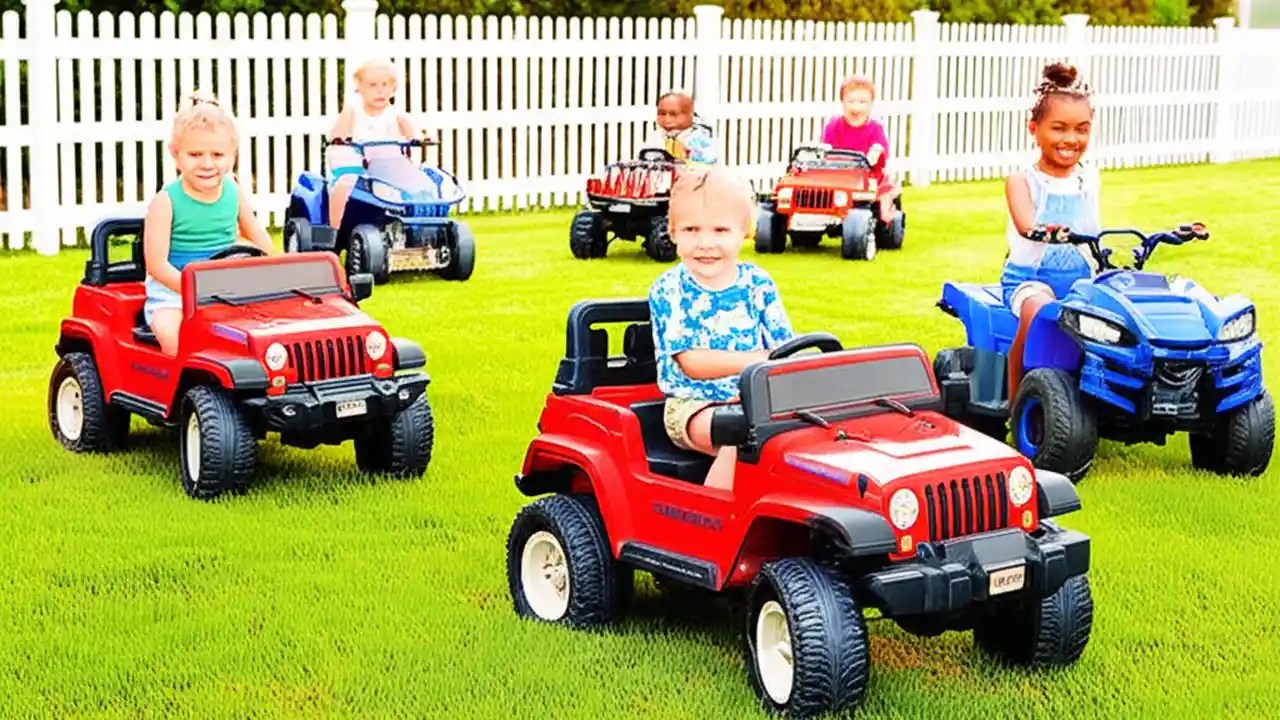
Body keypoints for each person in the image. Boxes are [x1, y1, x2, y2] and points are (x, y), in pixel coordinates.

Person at [648, 165, 794, 492]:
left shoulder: (757, 284)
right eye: (691, 229)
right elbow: (691, 363)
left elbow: (785, 348)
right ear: (672, 231)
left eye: (720, 230)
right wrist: (758, 361)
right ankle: (715, 516)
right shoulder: (670, 289)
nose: (705, 243)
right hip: (692, 406)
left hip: (755, 399)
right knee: (744, 435)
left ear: (746, 231)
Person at [142, 90, 275, 356]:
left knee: (267, 332)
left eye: (217, 155)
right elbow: (157, 266)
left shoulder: (233, 191)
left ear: (233, 155)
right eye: (194, 154)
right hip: (175, 294)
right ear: (175, 154)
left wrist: (278, 268)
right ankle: (184, 382)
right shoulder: (166, 201)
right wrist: (195, 290)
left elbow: (259, 239)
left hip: (227, 288)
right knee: (172, 334)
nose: (206, 164)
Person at [1000, 62, 1101, 400]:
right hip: (1030, 280)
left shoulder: (1089, 179)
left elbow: (1094, 230)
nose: (1071, 139)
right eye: (1059, 128)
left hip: (1081, 280)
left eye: (1082, 130)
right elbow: (1026, 224)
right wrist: (1045, 230)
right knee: (1037, 309)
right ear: (1034, 128)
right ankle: (1016, 396)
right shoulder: (1023, 181)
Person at [327, 58, 423, 230]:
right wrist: (340, 138)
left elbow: (414, 132)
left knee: (417, 185)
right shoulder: (353, 111)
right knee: (344, 186)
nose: (380, 90)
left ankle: (414, 226)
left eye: (385, 85)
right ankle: (335, 230)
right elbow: (337, 134)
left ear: (393, 88)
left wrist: (420, 138)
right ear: (360, 87)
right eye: (373, 85)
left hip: (388, 165)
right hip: (356, 164)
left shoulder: (396, 114)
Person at [820, 74, 899, 225]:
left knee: (884, 194)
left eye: (862, 102)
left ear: (870, 104)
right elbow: (827, 150)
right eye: (851, 101)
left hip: (868, 176)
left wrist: (876, 153)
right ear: (843, 102)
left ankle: (885, 219)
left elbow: (882, 152)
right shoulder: (834, 126)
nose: (856, 107)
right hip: (839, 175)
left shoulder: (875, 128)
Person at [641, 90, 718, 165]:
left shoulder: (699, 139)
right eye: (662, 114)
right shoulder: (656, 136)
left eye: (673, 114)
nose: (667, 119)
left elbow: (706, 163)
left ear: (690, 115)